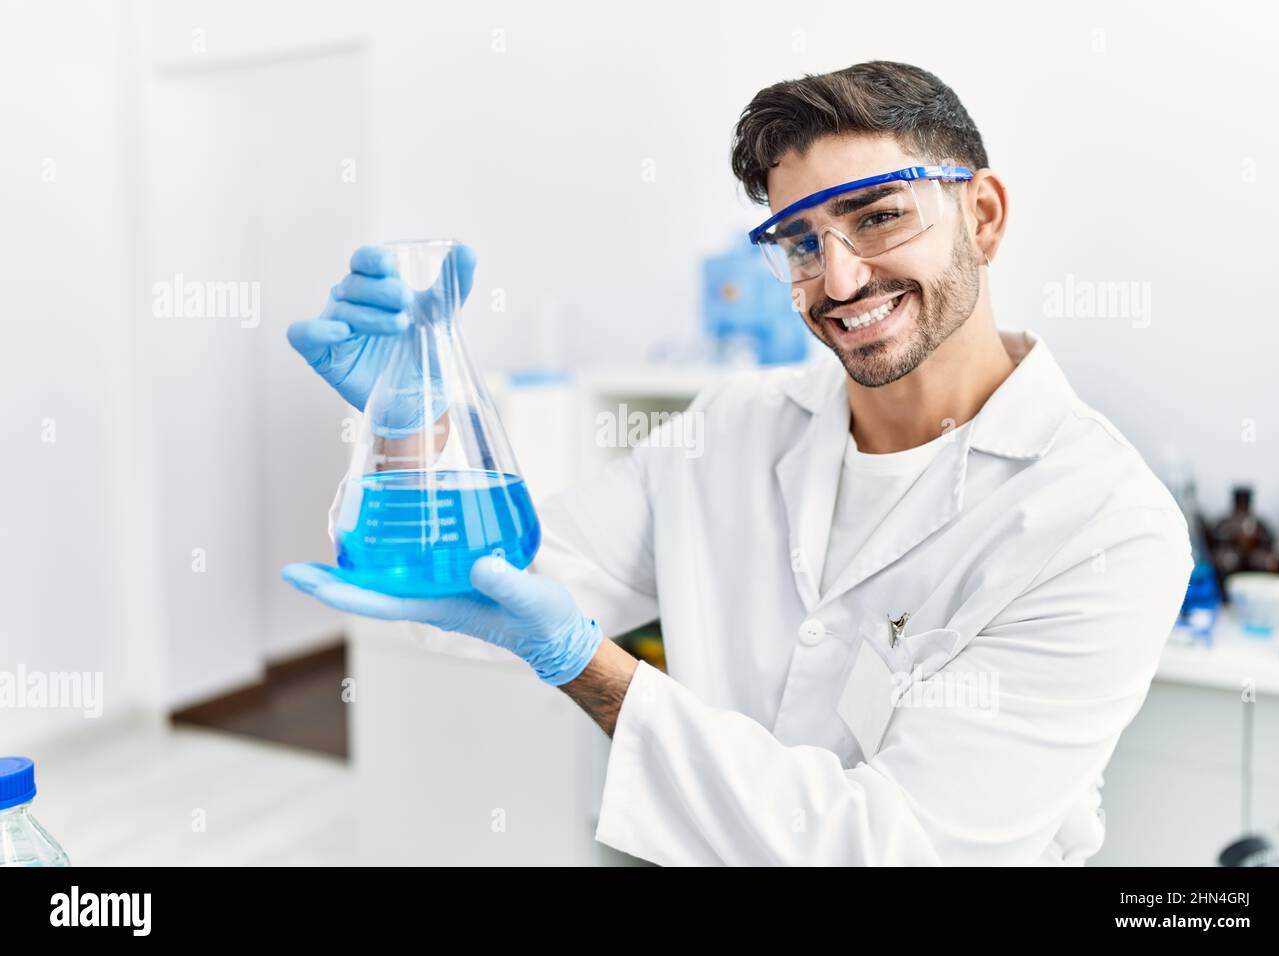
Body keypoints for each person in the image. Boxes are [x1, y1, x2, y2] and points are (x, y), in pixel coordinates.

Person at [283, 61, 1192, 866]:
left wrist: (587, 668)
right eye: (800, 242)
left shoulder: (1103, 525)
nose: (837, 281)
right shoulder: (732, 427)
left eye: (877, 217)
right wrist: (414, 419)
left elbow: (897, 850)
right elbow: (499, 583)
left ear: (982, 214)